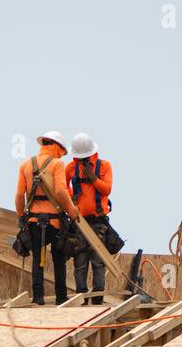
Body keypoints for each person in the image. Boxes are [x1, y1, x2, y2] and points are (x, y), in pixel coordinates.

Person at [14, 130, 80, 305]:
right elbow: (60, 191)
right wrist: (72, 209)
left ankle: (38, 297)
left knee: (38, 260)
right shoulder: (57, 164)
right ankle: (61, 297)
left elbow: (20, 195)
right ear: (57, 147)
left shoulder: (26, 165)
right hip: (55, 223)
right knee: (59, 260)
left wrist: (21, 216)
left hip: (35, 221)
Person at [64, 132, 113, 306]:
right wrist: (71, 201)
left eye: (85, 158)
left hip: (98, 221)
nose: (82, 161)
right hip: (80, 222)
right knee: (80, 260)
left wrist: (92, 177)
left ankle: (98, 298)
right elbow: (62, 186)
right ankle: (82, 297)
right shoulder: (71, 167)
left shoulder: (104, 166)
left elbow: (106, 190)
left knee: (98, 261)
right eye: (79, 158)